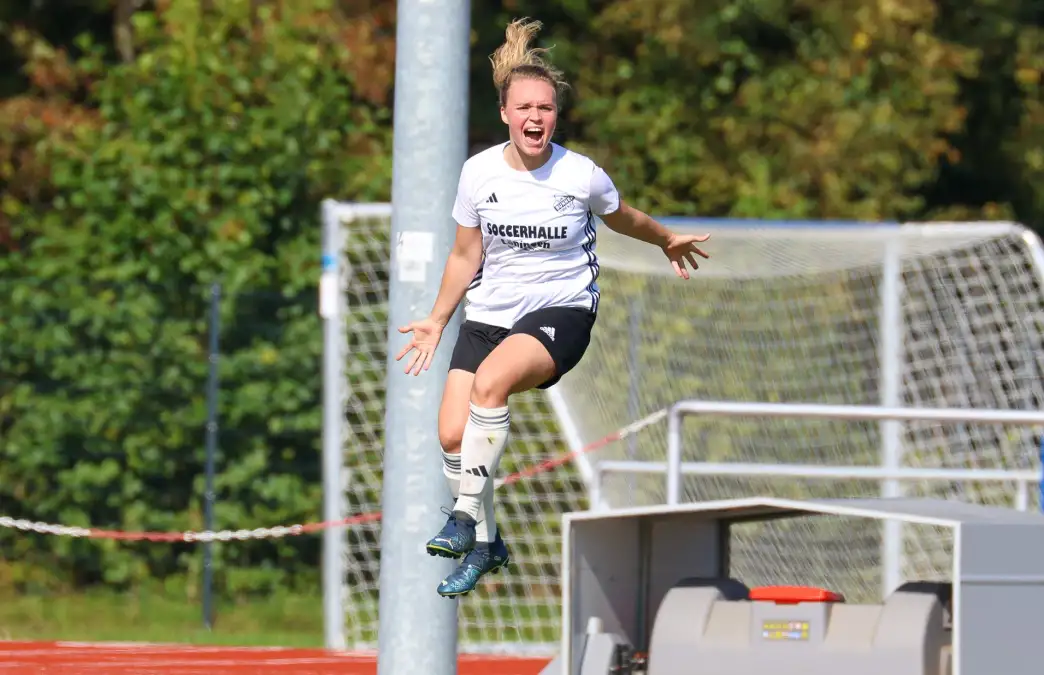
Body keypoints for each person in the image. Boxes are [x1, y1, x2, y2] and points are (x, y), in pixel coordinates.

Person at [394, 17, 711, 598]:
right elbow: (466, 256)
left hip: (560, 312)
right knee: (450, 435)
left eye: (546, 108)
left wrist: (667, 238)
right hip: (489, 314)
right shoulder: (478, 173)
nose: (536, 118)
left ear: (555, 116)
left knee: (491, 385)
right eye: (525, 108)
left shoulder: (580, 175)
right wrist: (437, 321)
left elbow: (625, 217)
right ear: (505, 115)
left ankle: (463, 519)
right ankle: (488, 544)